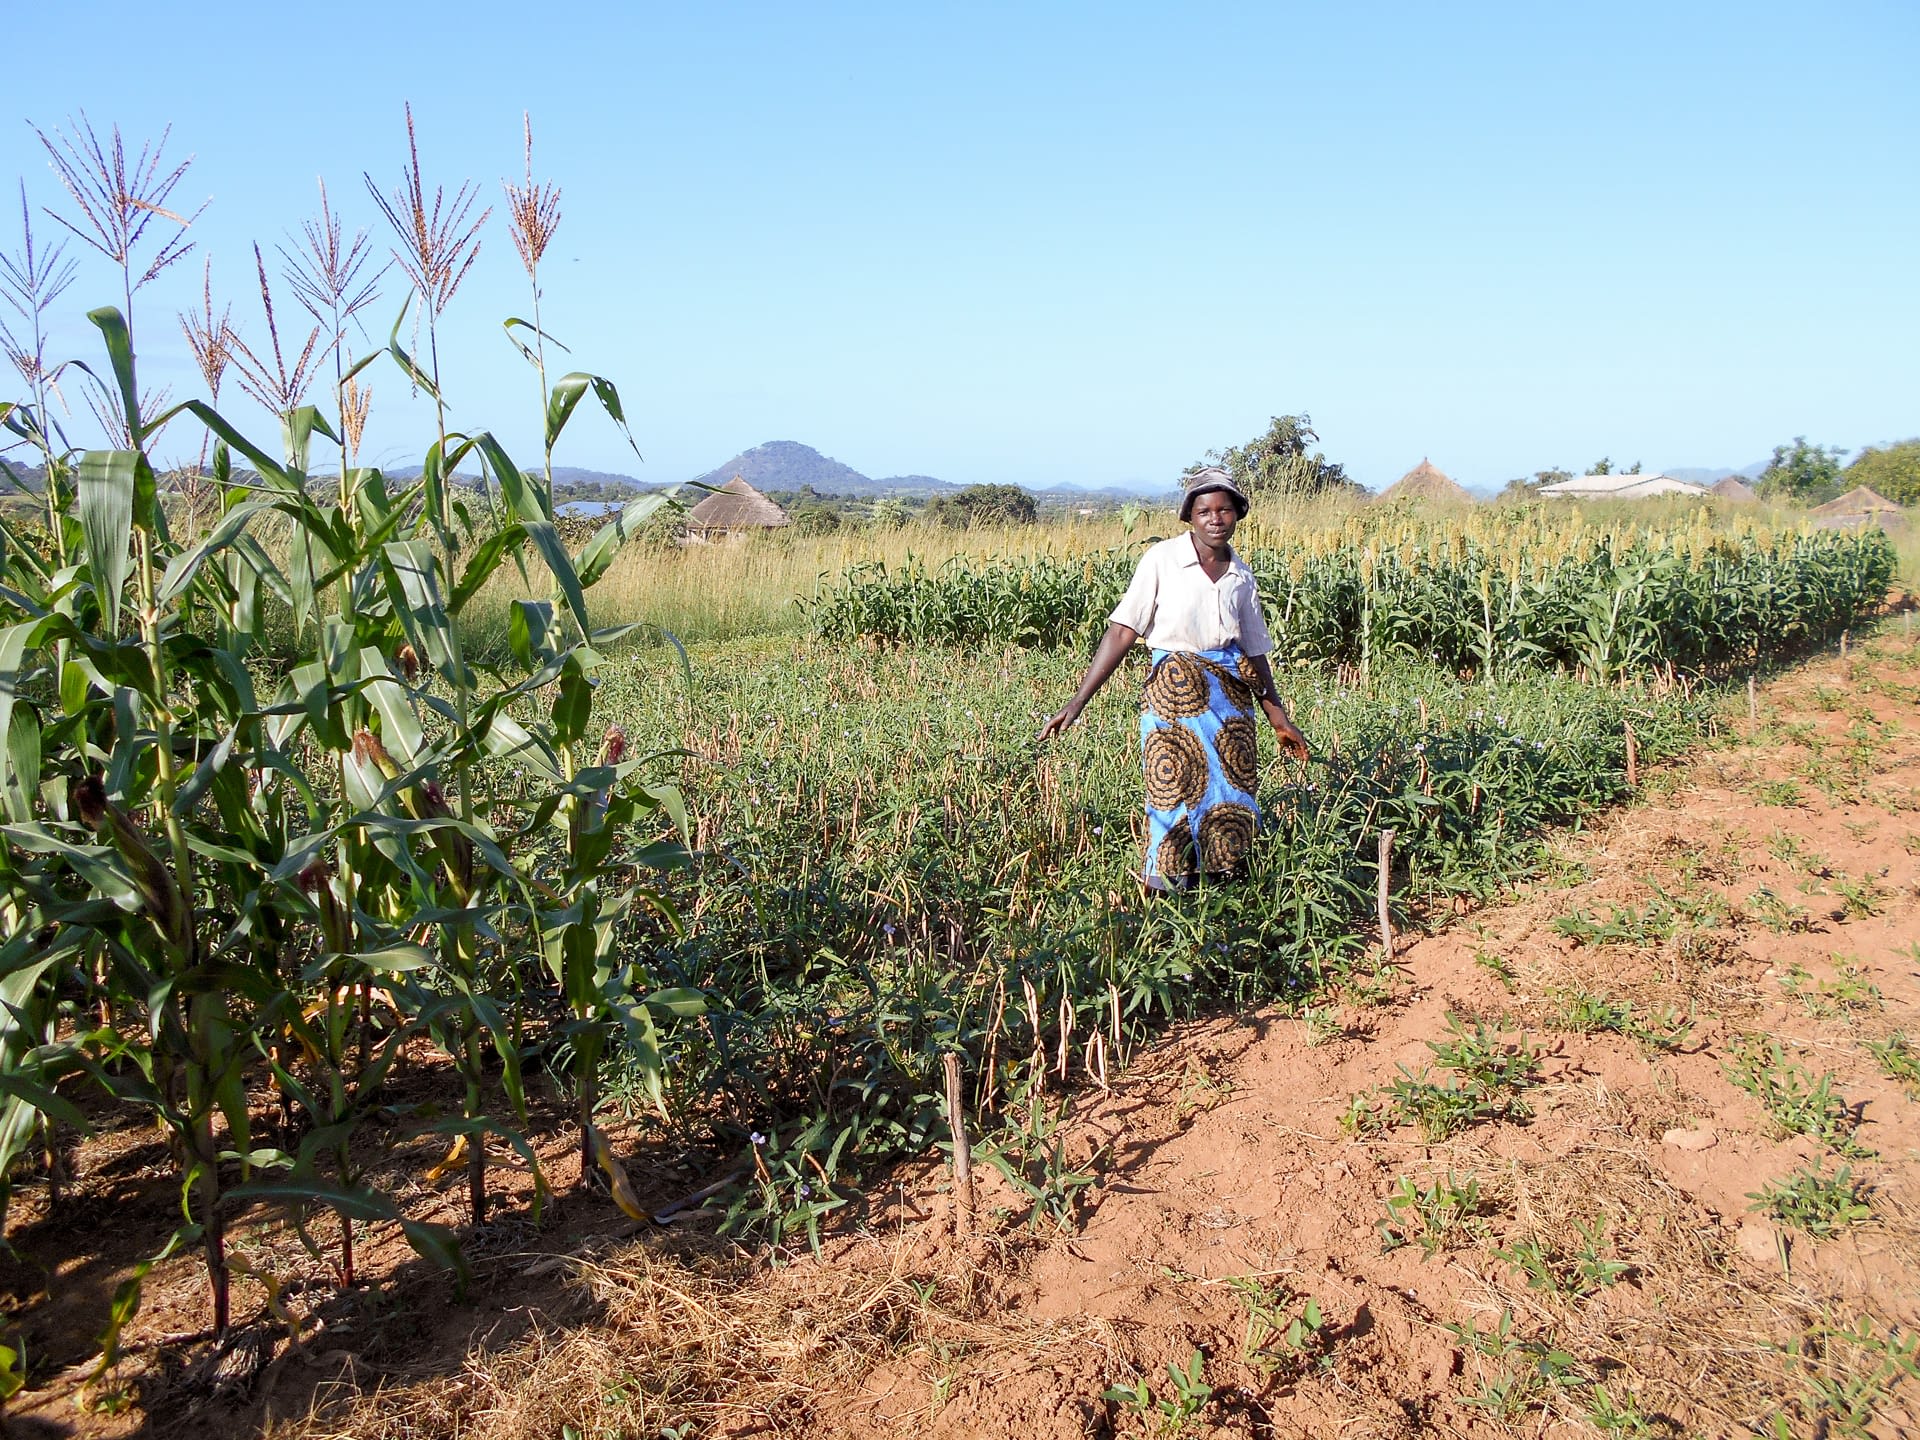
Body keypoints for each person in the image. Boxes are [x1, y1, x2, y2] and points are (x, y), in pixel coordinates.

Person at [1038, 467, 1309, 891]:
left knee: (1231, 789)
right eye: (1204, 511)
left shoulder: (1242, 577)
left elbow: (1254, 653)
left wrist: (1278, 717)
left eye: (1224, 510)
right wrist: (1077, 701)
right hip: (1173, 692)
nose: (1214, 518)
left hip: (1230, 699)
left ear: (1238, 514)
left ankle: (1225, 884)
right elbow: (1124, 630)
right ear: (1190, 517)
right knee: (1173, 787)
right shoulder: (1162, 560)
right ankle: (1167, 888)